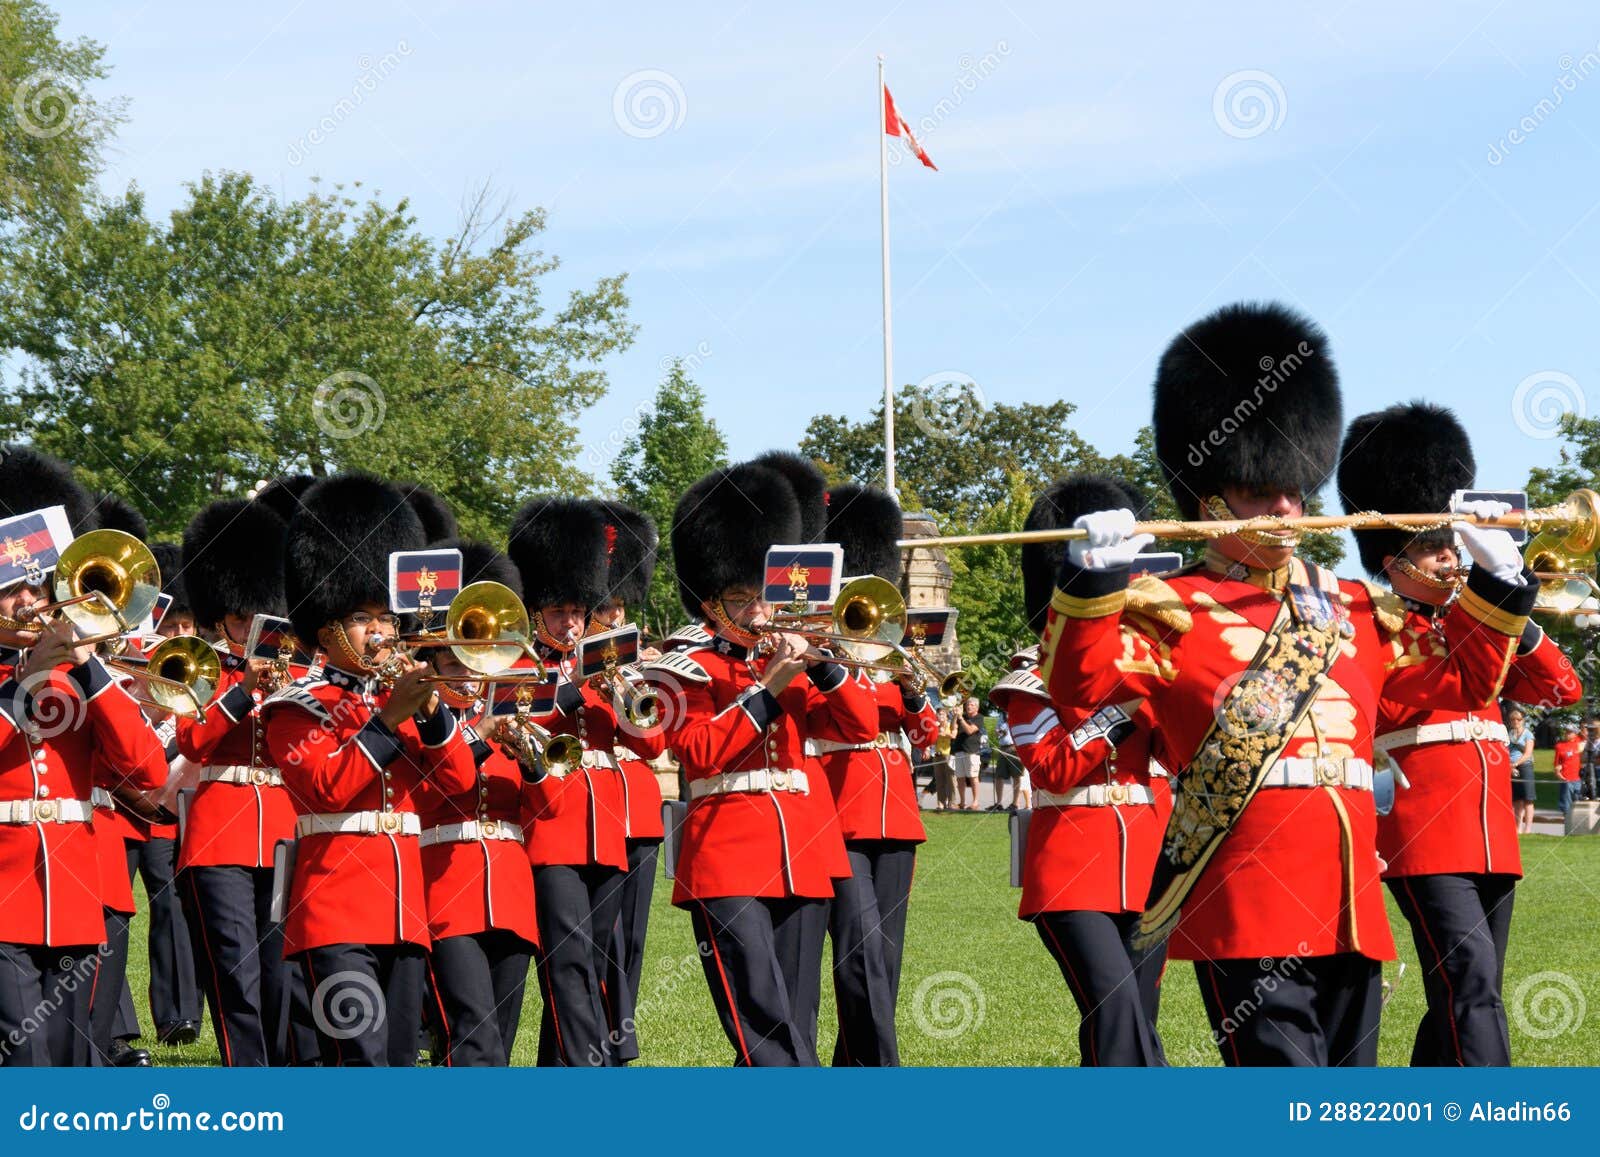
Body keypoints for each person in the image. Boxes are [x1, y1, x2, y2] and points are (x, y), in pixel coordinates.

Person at [1039, 302, 1536, 1066]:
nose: (1284, 508)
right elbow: (1078, 688)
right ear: (1211, 497)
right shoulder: (1170, 609)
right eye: (1260, 490)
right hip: (1247, 899)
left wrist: (1499, 587)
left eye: (1295, 492)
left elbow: (1464, 684)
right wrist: (1091, 587)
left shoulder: (1353, 606)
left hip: (1347, 899)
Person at [1341, 401, 1582, 1066]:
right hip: (1422, 835)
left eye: (1454, 545)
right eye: (1434, 548)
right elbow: (1446, 691)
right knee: (1471, 980)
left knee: (1468, 990)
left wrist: (1520, 620)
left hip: (1490, 834)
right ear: (1394, 560)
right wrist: (1495, 598)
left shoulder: (1472, 624)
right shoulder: (1373, 623)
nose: (1450, 557)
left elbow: (1563, 690)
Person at [638, 460, 876, 1066]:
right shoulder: (679, 665)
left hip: (804, 849)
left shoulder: (800, 653)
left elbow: (861, 726)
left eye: (762, 595)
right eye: (741, 598)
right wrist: (768, 690)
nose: (758, 611)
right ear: (710, 600)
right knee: (760, 1021)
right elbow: (692, 749)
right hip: (726, 854)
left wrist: (824, 666)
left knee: (796, 1015)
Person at [263, 473, 477, 1066]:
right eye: (362, 617)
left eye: (387, 617)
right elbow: (326, 786)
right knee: (360, 1063)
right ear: (325, 627)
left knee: (399, 1064)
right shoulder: (295, 705)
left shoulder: (404, 699)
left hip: (404, 909)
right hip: (332, 909)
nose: (381, 631)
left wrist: (432, 712)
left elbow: (459, 784)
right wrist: (388, 719)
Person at [994, 473, 1170, 1066]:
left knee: (1136, 1019)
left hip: (1149, 862)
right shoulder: (1030, 674)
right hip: (1071, 869)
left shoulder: (1151, 666)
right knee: (1114, 1006)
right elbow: (1050, 767)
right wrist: (1120, 713)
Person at [0, 447, 167, 1066]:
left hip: (71, 897)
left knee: (69, 1062)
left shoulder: (82, 681)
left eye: (36, 584)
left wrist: (91, 668)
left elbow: (146, 772)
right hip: (2, 893)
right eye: (12, 587)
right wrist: (18, 688)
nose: (30, 601)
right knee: (24, 1061)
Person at [507, 496, 668, 1067]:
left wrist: (629, 685)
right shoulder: (516, 663)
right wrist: (579, 684)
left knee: (601, 961)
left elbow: (653, 743)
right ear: (535, 611)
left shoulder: (611, 661)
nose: (571, 623)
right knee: (569, 961)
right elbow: (516, 717)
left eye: (579, 611)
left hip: (608, 830)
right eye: (558, 612)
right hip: (549, 828)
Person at [175, 495, 312, 1066]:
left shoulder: (299, 669)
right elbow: (191, 742)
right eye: (239, 619)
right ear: (219, 618)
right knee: (235, 968)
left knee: (280, 964)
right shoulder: (197, 666)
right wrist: (240, 691)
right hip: (218, 835)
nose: (250, 629)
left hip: (283, 830)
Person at [810, 482, 937, 1066]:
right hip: (837, 814)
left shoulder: (890, 660)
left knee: (884, 957)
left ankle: (854, 1068)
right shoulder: (819, 660)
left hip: (897, 819)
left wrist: (913, 696)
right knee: (859, 953)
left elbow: (928, 734)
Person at [416, 540, 539, 1066]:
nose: (466, 667)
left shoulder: (508, 706)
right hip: (444, 885)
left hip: (509, 888)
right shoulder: (420, 715)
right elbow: (433, 786)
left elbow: (545, 808)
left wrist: (534, 759)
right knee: (471, 1034)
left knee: (500, 1040)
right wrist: (482, 737)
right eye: (453, 656)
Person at [591, 499, 664, 1064]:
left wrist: (633, 686)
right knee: (591, 945)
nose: (615, 618)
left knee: (630, 940)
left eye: (619, 607)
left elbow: (656, 740)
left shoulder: (632, 663)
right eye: (604, 608)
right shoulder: (556, 667)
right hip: (584, 814)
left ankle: (619, 1041)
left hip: (635, 809)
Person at [1506, 708, 1536, 834]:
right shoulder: (1509, 734)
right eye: (1513, 719)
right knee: (1517, 800)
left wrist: (1516, 763)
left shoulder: (1528, 734)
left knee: (1528, 799)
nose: (1515, 721)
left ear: (1523, 720)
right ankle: (1517, 827)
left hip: (1525, 766)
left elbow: (1528, 753)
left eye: (1518, 719)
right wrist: (1510, 766)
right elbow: (1505, 750)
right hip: (1512, 767)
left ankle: (1527, 829)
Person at [950, 698, 983, 811]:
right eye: (968, 704)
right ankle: (962, 802)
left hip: (971, 751)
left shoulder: (979, 718)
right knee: (960, 778)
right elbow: (952, 728)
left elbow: (969, 730)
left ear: (976, 708)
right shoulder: (962, 716)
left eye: (972, 705)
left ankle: (975, 802)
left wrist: (960, 718)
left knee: (973, 777)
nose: (969, 706)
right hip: (959, 750)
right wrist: (955, 716)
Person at [1554, 722, 1582, 818]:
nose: (1567, 733)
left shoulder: (1580, 743)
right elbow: (1557, 764)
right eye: (1566, 731)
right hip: (1566, 778)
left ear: (1575, 733)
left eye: (1570, 732)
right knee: (1566, 802)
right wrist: (1558, 773)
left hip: (1578, 778)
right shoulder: (1560, 746)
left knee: (1579, 800)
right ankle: (1567, 819)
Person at [1582, 721, 1600, 802]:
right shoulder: (1588, 742)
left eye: (1594, 729)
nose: (1591, 732)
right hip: (1589, 769)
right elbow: (1582, 758)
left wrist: (1590, 760)